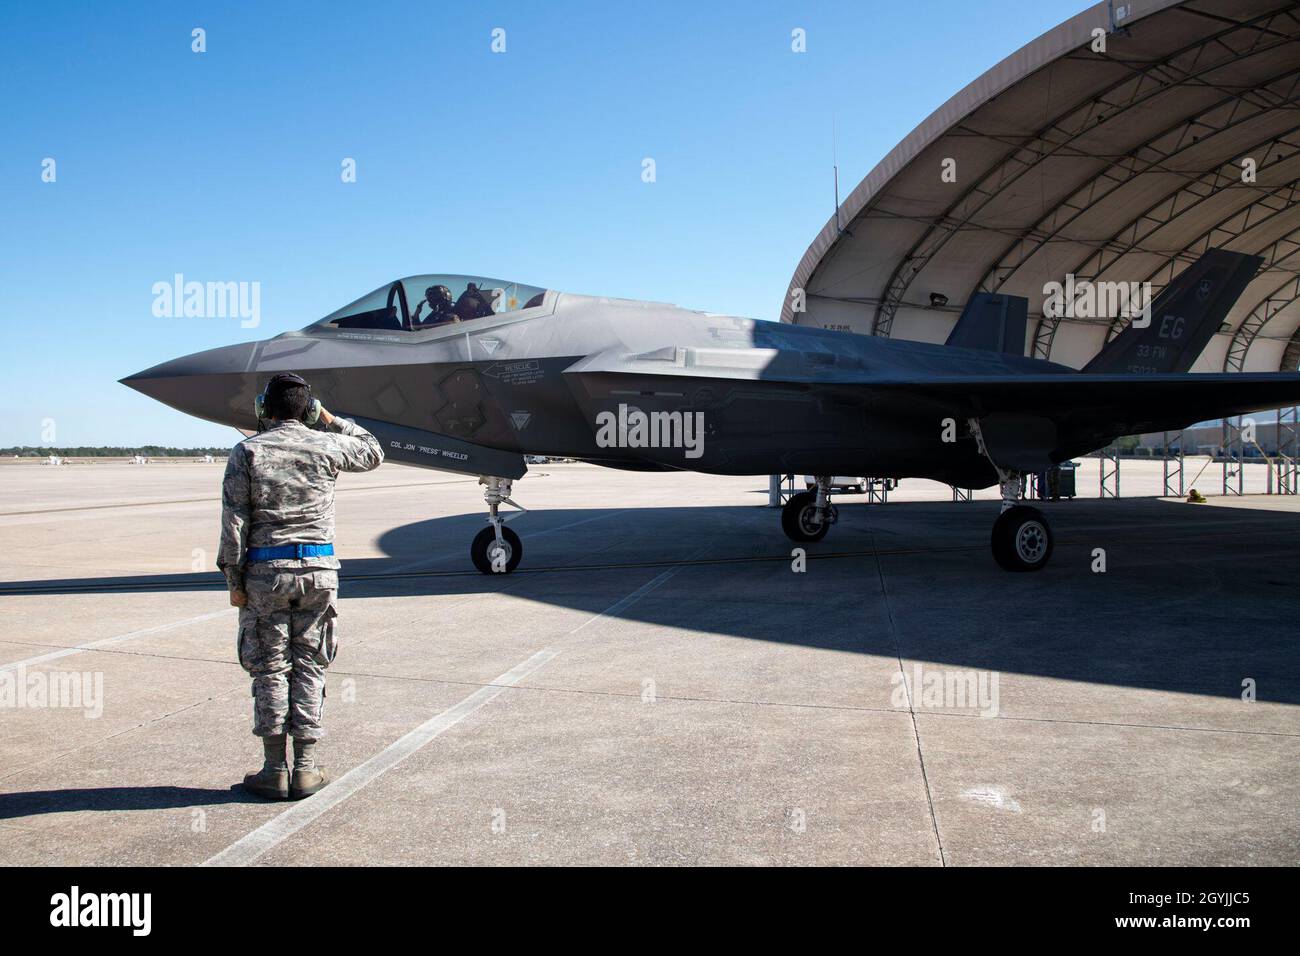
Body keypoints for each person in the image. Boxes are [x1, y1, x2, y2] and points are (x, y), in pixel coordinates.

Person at [217, 372, 384, 800]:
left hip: (265, 574)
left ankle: (274, 769)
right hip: (318, 572)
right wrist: (328, 418)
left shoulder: (247, 452)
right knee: (310, 665)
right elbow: (373, 451)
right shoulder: (327, 444)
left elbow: (234, 523)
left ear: (263, 409)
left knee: (271, 667)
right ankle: (307, 769)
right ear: (307, 410)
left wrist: (234, 581)